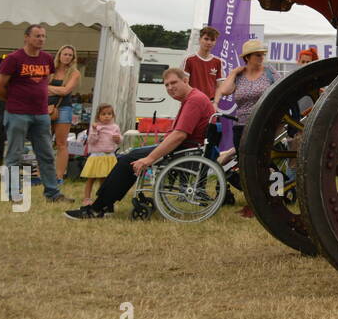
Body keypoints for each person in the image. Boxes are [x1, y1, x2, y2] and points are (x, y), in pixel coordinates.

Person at [64, 68, 214, 218]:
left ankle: (97, 208)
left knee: (128, 160)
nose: (169, 88)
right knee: (126, 156)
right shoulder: (192, 99)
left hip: (183, 151)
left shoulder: (194, 100)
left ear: (185, 80)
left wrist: (149, 159)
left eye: (173, 82)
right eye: (166, 85)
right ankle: (105, 204)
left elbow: (179, 136)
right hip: (184, 149)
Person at [0, 25, 67, 203]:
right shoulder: (13, 59)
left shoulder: (47, 59)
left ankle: (52, 193)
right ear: (26, 37)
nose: (41, 39)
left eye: (43, 36)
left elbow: (44, 82)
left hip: (41, 114)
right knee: (14, 154)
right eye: (37, 36)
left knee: (47, 154)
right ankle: (14, 193)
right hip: (17, 113)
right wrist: (13, 102)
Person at [213, 39, 276, 217]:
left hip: (263, 125)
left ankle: (265, 203)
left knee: (261, 163)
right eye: (258, 55)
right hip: (240, 126)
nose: (261, 57)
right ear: (247, 57)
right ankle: (252, 203)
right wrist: (233, 72)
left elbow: (280, 90)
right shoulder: (239, 76)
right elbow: (224, 91)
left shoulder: (269, 72)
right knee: (245, 166)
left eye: (262, 54)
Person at [47, 44, 81, 187]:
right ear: (59, 55)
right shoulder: (50, 70)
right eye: (64, 54)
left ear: (73, 58)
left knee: (61, 144)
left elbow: (66, 91)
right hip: (45, 107)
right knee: (44, 141)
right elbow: (39, 87)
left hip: (64, 108)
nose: (67, 57)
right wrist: (57, 89)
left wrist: (48, 88)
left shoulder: (75, 73)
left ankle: (59, 176)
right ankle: (44, 173)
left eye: (70, 55)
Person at [80, 104, 122, 206]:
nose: (107, 116)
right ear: (98, 116)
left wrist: (118, 139)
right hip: (97, 156)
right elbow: (91, 141)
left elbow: (119, 140)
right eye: (103, 114)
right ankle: (87, 198)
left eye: (109, 114)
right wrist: (94, 131)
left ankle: (102, 198)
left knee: (105, 179)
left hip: (109, 157)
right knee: (91, 178)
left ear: (113, 115)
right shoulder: (96, 127)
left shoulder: (115, 127)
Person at [183, 27, 223, 102]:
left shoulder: (218, 61)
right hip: (192, 102)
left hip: (210, 103)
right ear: (200, 39)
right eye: (206, 39)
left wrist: (215, 103)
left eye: (212, 40)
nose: (209, 42)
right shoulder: (189, 60)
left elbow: (219, 87)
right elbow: (185, 84)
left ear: (215, 42)